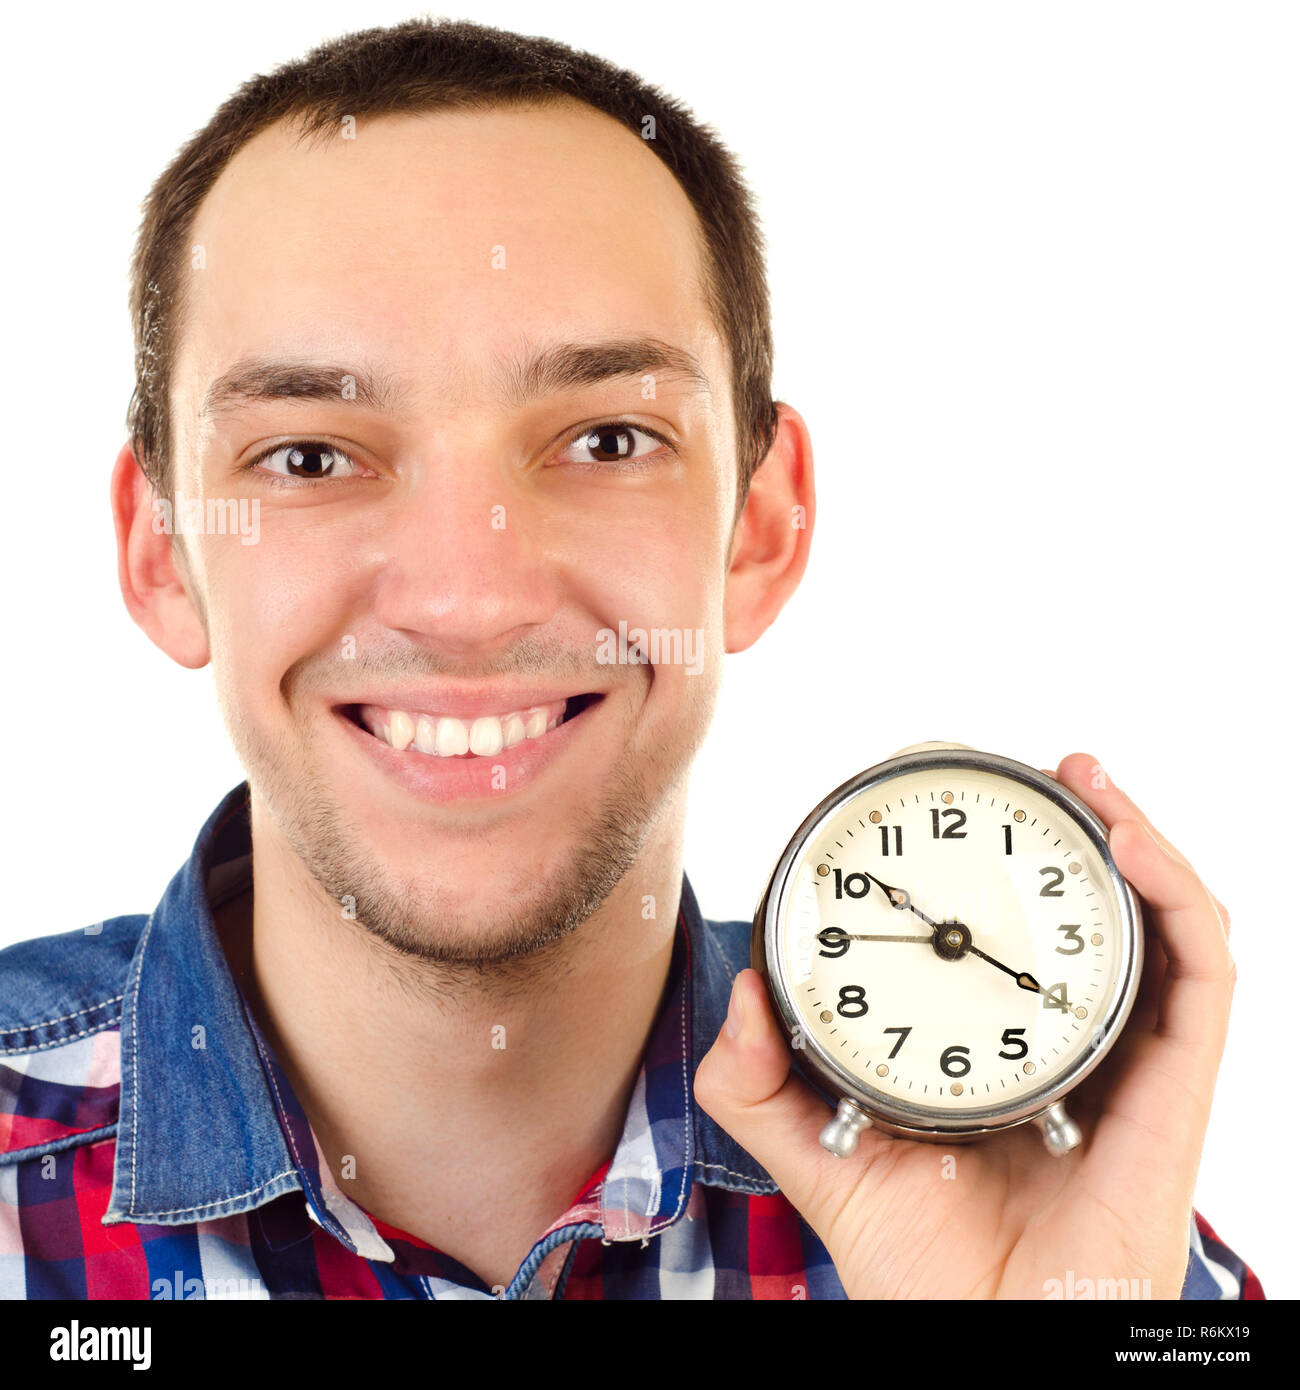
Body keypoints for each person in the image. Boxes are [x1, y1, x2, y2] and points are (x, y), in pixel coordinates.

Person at [0, 17, 1262, 1301]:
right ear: (162, 552)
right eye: (311, 456)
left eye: (606, 440)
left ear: (760, 528)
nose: (467, 597)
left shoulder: (1073, 1237)